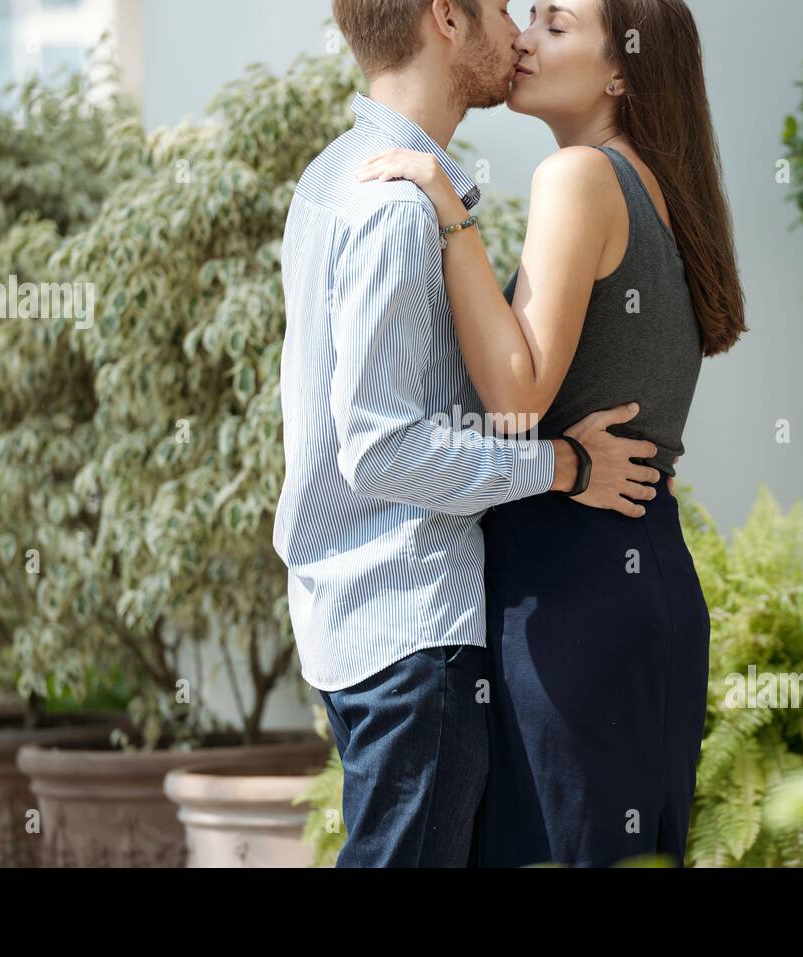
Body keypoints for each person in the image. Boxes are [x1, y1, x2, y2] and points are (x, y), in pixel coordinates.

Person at [354, 0, 747, 865]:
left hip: (566, 593)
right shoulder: (659, 188)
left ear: (622, 70)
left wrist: (445, 205)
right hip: (647, 584)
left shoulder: (579, 178)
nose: (525, 38)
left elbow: (518, 400)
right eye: (530, 18)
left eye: (557, 25)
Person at [273, 0, 664, 867]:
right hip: (412, 624)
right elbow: (380, 449)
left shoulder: (334, 178)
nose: (519, 30)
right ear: (447, 18)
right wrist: (561, 464)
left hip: (356, 615)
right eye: (499, 9)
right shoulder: (396, 212)